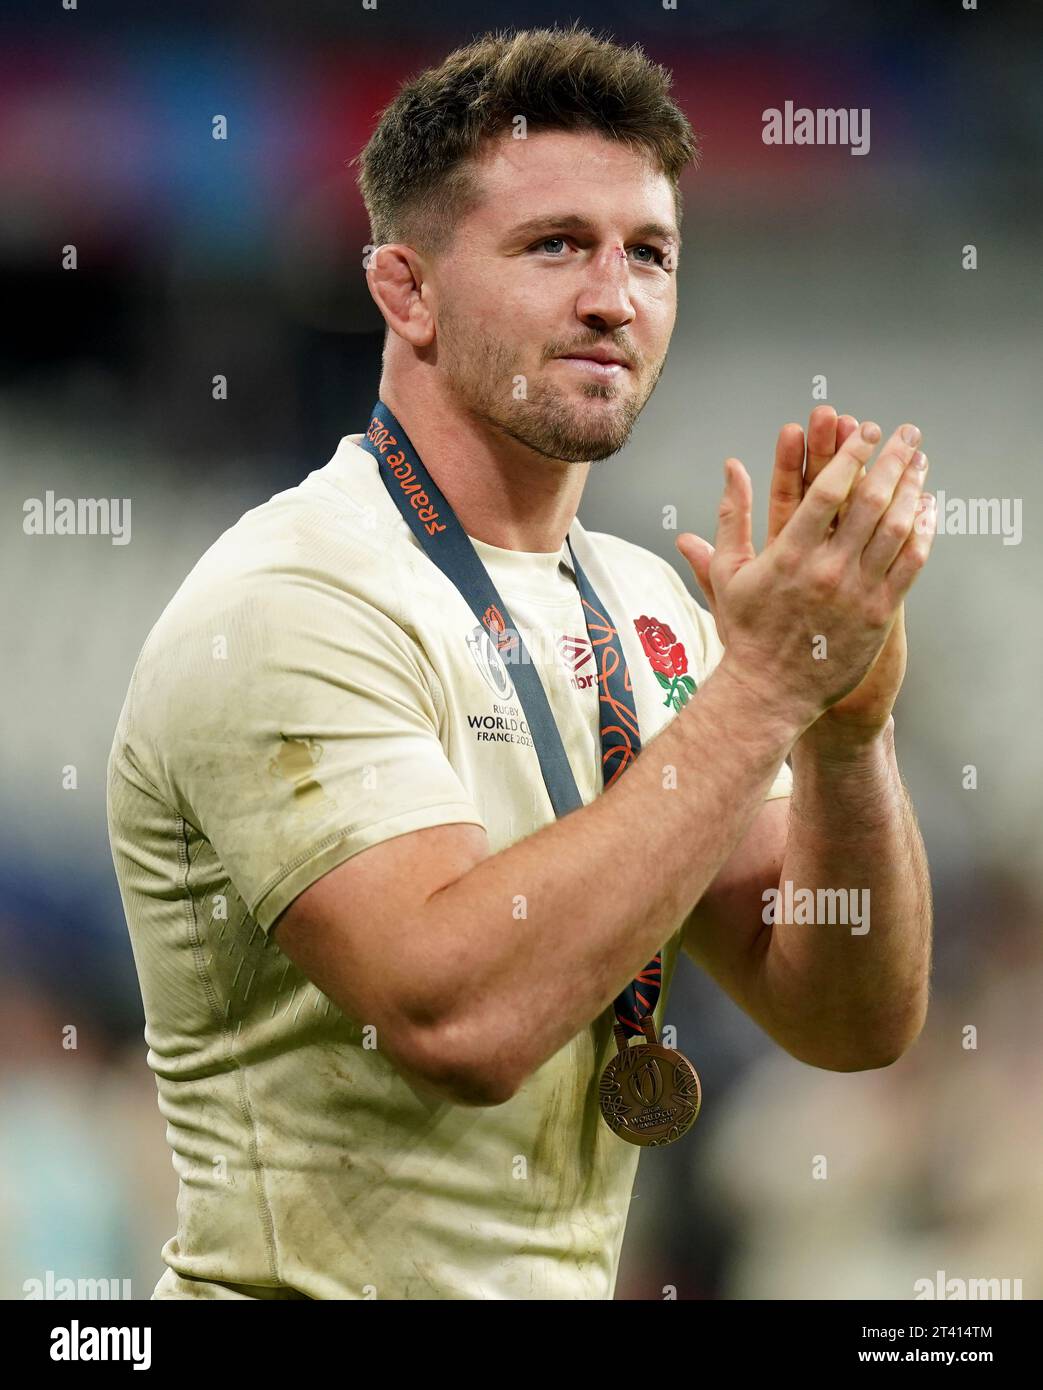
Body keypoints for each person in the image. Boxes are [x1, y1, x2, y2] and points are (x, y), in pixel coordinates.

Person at [106, 24, 936, 1300]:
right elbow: (458, 1024)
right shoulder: (297, 594)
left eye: (647, 253)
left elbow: (846, 1016)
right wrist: (762, 691)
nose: (613, 295)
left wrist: (841, 729)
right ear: (405, 290)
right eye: (554, 245)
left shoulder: (646, 601)